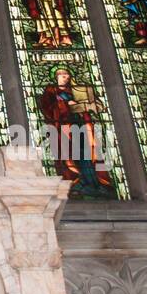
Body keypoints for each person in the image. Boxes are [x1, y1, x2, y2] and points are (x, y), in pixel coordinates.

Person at [38, 66, 114, 197]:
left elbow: (95, 104)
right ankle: (74, 182)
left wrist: (87, 105)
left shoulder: (75, 90)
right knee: (70, 154)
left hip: (81, 123)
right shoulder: (51, 91)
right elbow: (47, 109)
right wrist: (66, 105)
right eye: (62, 76)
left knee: (88, 154)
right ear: (56, 77)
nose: (65, 78)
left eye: (67, 76)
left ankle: (94, 183)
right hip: (63, 127)